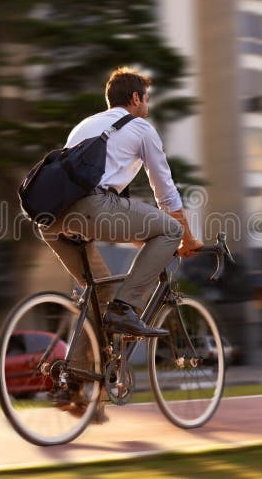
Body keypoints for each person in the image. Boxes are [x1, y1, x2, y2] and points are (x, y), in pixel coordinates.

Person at [39, 67, 203, 338]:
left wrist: (144, 241)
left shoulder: (85, 125)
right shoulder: (140, 129)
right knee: (170, 229)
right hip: (91, 209)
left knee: (100, 290)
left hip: (51, 220)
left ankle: (78, 376)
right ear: (136, 98)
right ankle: (125, 307)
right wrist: (186, 238)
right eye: (147, 98)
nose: (147, 105)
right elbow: (165, 192)